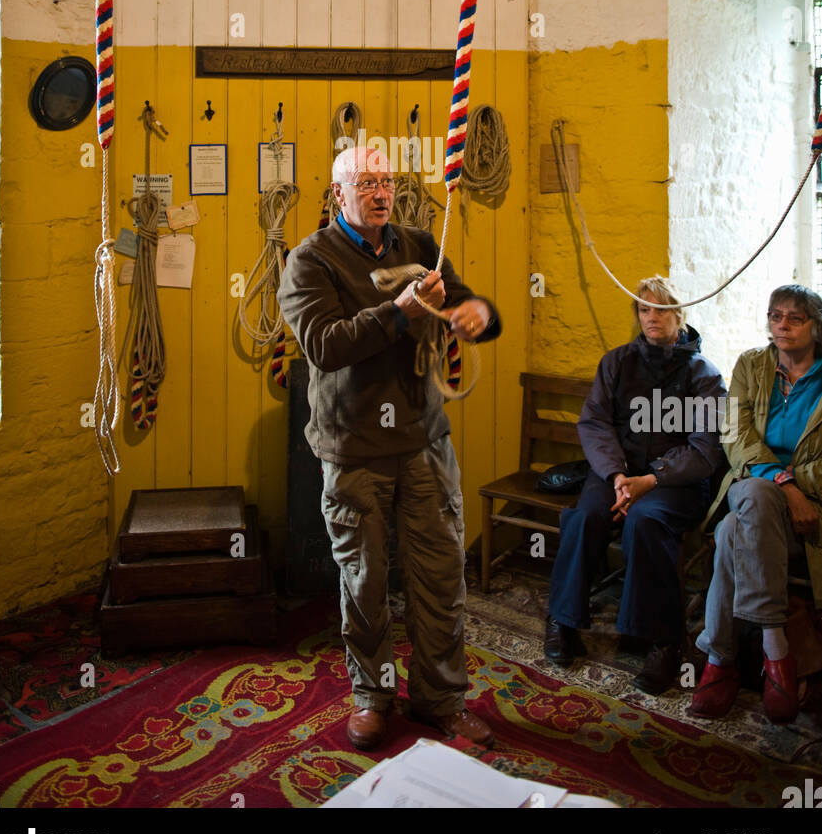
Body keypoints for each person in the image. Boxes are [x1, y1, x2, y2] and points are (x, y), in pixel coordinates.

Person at [277, 145, 501, 751]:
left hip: (424, 441)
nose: (381, 193)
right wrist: (396, 315)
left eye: (388, 181)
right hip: (353, 449)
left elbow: (462, 302)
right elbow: (324, 344)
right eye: (366, 183)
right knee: (365, 581)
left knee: (439, 577)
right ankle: (373, 696)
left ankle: (441, 701)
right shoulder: (309, 261)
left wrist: (479, 312)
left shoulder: (420, 245)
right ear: (337, 194)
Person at [544, 277, 726, 695]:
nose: (651, 317)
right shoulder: (617, 363)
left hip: (675, 483)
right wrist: (616, 476)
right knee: (586, 516)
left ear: (680, 313)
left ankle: (663, 640)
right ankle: (563, 618)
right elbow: (594, 423)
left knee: (644, 521)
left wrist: (652, 479)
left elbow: (704, 450)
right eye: (644, 309)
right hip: (619, 474)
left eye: (661, 309)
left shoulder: (704, 375)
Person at [690, 284, 822, 724]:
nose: (782, 325)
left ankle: (720, 662)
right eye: (775, 316)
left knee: (730, 533)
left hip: (810, 511)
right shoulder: (752, 364)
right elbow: (736, 436)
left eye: (795, 318)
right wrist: (785, 483)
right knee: (754, 491)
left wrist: (799, 490)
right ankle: (775, 648)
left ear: (816, 326)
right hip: (760, 488)